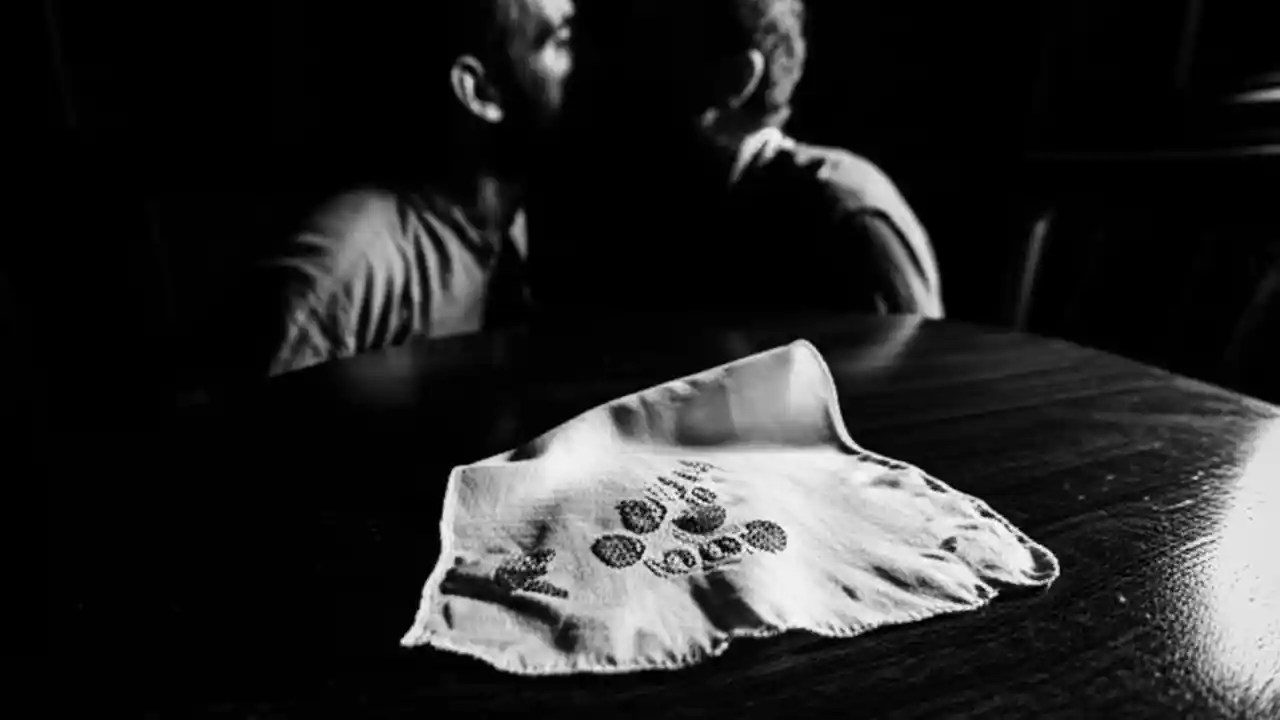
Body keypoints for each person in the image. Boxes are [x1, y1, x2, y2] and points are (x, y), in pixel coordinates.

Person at [530, 0, 944, 321]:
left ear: (736, 79)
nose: (608, 64)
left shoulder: (848, 225)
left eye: (652, 41)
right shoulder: (663, 212)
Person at [235, 0, 577, 378]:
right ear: (480, 92)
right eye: (563, 40)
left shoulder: (519, 230)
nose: (593, 61)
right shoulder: (352, 265)